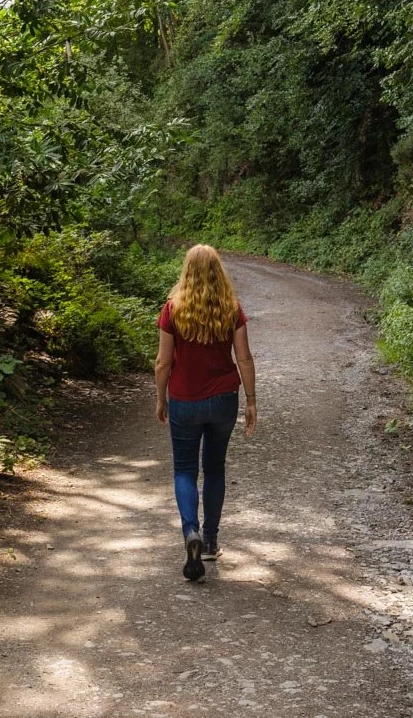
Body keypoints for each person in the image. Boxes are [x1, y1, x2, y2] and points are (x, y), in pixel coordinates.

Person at [155, 244, 257, 581]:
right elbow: (244, 358)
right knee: (214, 468)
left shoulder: (173, 310)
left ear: (187, 271)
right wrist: (251, 400)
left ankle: (191, 532)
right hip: (224, 399)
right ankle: (210, 541)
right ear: (218, 272)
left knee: (185, 470)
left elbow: (163, 362)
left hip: (184, 400)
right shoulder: (231, 308)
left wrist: (160, 398)